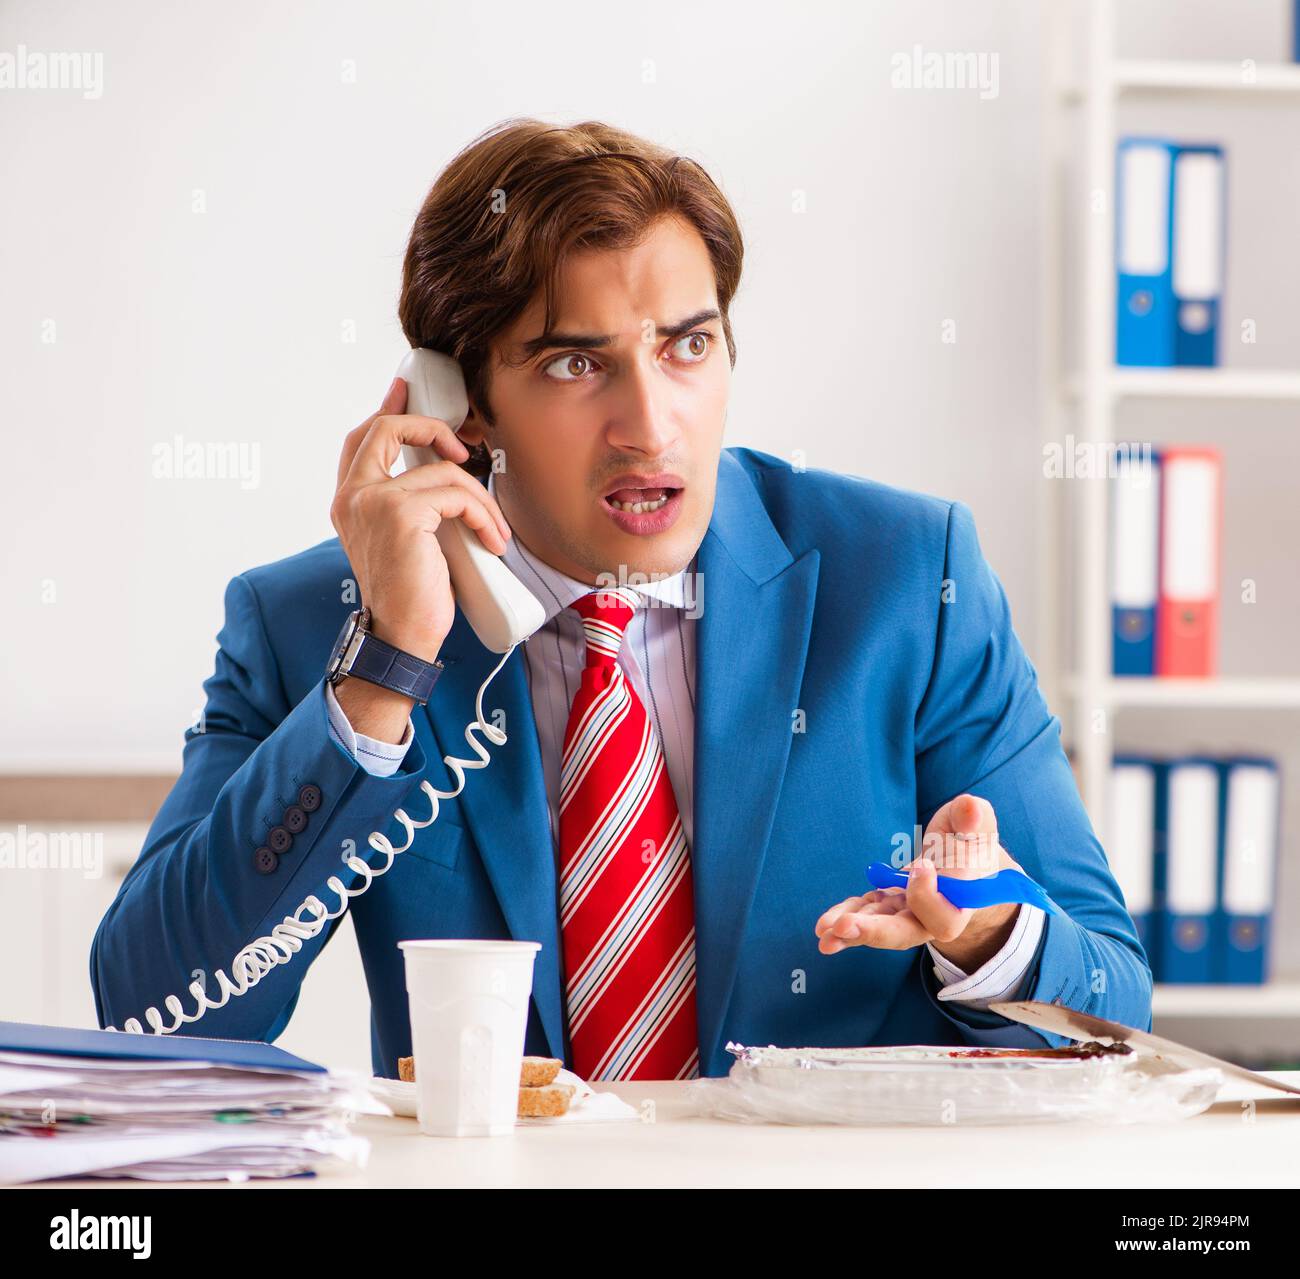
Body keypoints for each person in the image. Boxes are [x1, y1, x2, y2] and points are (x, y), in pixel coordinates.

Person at [91, 118, 1151, 1081]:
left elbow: (1116, 1007)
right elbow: (153, 1021)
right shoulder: (309, 626)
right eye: (572, 365)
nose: (649, 425)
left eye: (686, 346)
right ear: (464, 406)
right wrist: (385, 672)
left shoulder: (910, 581)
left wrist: (984, 932)